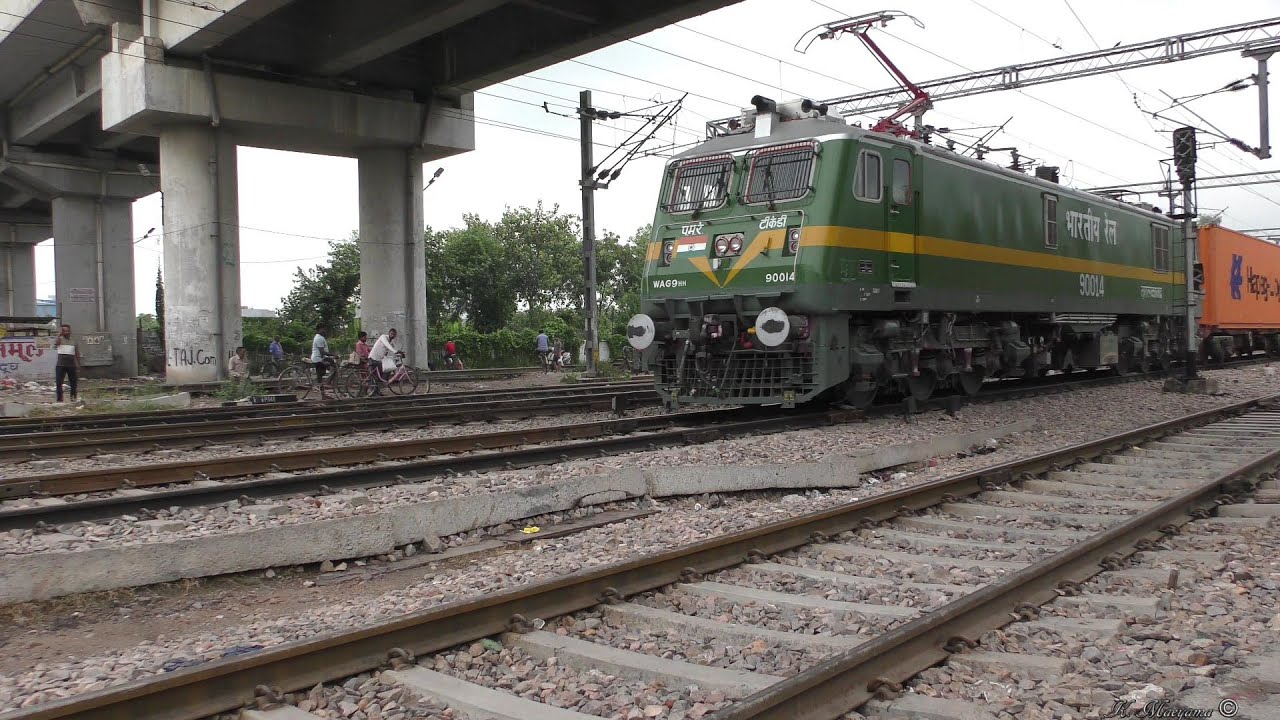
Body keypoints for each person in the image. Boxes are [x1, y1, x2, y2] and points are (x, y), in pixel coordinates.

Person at [54, 324, 80, 403]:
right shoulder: (60, 339)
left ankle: (73, 399)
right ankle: (59, 400)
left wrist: (78, 364)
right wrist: (59, 334)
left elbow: (77, 353)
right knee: (59, 383)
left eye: (68, 330)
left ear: (70, 331)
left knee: (73, 383)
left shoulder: (74, 341)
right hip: (60, 365)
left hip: (71, 365)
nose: (66, 332)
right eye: (64, 331)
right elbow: (56, 343)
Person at [311, 325, 332, 398]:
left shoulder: (319, 337)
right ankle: (326, 385)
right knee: (321, 376)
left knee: (321, 376)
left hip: (320, 358)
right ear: (319, 330)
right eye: (323, 329)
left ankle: (324, 391)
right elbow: (322, 352)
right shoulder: (319, 338)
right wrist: (333, 354)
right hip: (318, 359)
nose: (324, 331)